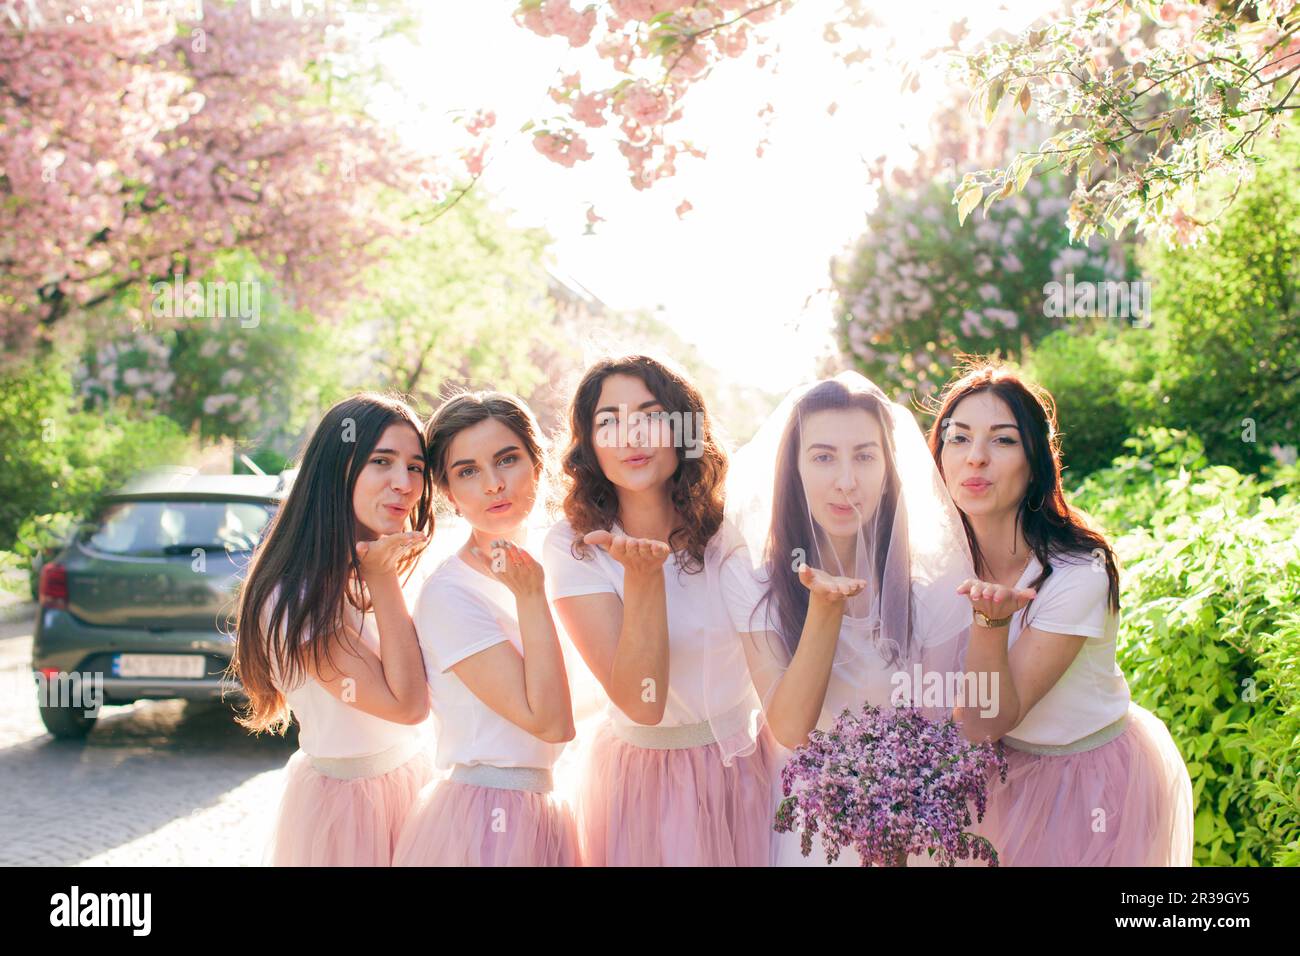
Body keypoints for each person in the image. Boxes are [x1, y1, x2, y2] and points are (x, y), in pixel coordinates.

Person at [928, 360, 1194, 866]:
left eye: (1003, 441)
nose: (975, 459)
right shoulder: (932, 561)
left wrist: (991, 620)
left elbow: (989, 722)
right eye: (958, 438)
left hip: (1086, 779)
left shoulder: (1077, 569)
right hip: (991, 779)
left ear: (1036, 462)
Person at [716, 371, 973, 866]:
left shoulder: (930, 581)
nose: (846, 481)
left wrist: (898, 817)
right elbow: (789, 726)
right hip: (810, 829)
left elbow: (938, 727)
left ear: (888, 467)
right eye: (823, 457)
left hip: (911, 828)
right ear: (793, 467)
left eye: (864, 456)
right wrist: (825, 610)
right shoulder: (751, 578)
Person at [543, 354, 775, 866]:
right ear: (589, 444)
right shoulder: (574, 544)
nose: (632, 435)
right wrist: (643, 581)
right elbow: (641, 702)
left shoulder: (733, 528)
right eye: (609, 421)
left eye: (650, 414)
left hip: (743, 768)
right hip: (640, 780)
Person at [233, 393, 436, 866]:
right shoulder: (293, 595)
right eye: (381, 461)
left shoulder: (378, 567)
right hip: (349, 813)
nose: (403, 483)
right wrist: (384, 579)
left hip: (416, 784)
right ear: (336, 469)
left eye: (415, 467)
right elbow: (406, 706)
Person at [395, 391, 579, 866]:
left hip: (548, 808)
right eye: (468, 471)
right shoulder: (449, 595)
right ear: (449, 493)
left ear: (537, 466)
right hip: (485, 820)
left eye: (507, 459)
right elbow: (552, 723)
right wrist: (531, 597)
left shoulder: (569, 562)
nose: (494, 484)